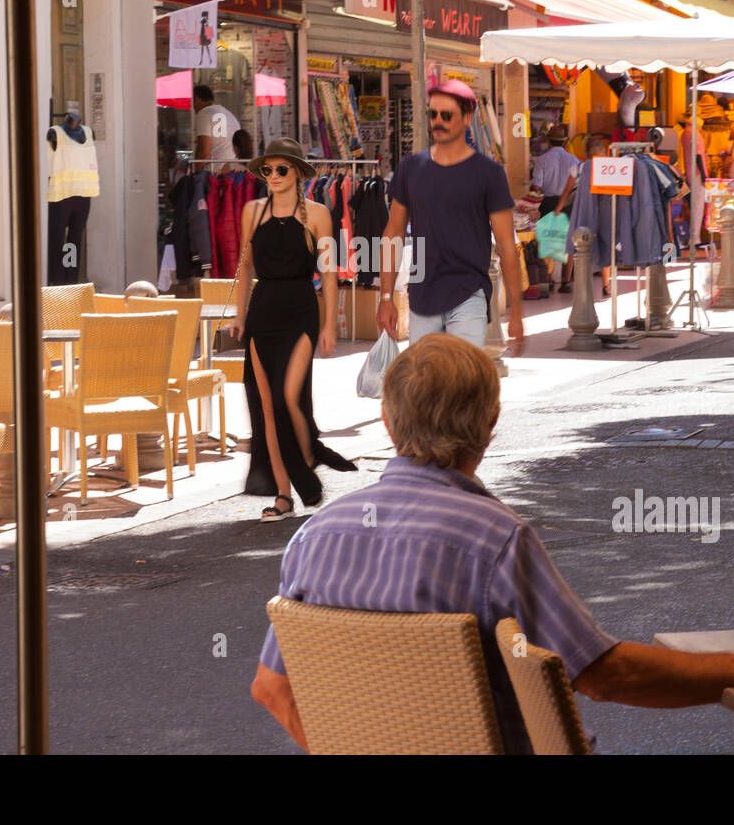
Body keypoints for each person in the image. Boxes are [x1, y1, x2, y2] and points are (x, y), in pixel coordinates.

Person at [251, 334, 734, 754]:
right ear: (490, 422)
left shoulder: (314, 536)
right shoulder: (491, 540)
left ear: (387, 420)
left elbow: (271, 688)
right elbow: (606, 675)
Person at [224, 138, 355, 522]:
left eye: (282, 169)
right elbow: (244, 267)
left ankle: (308, 455)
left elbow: (329, 273)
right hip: (263, 310)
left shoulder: (318, 214)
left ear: (297, 171)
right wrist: (239, 315)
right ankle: (284, 494)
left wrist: (330, 324)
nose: (274, 176)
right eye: (267, 170)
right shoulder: (252, 211)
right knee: (266, 407)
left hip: (301, 310)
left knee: (286, 396)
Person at [377, 80, 524, 349]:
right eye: (433, 114)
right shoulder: (410, 168)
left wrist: (516, 310)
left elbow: (506, 244)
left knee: (463, 384)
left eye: (447, 115)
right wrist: (386, 296)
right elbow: (393, 233)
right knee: (425, 385)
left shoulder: (488, 173)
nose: (438, 122)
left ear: (468, 118)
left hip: (468, 294)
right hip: (422, 299)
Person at [45, 109, 99, 285]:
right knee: (57, 240)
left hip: (83, 197)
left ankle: (71, 283)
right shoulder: (55, 133)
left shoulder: (90, 133)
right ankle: (58, 283)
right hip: (60, 196)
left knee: (74, 242)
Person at [532, 123, 580, 293]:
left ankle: (549, 280)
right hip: (569, 204)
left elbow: (537, 186)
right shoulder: (574, 161)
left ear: (549, 142)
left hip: (549, 203)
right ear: (565, 142)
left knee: (547, 240)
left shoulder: (542, 160)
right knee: (569, 243)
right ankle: (566, 282)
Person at [677, 120, 708, 259]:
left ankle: (693, 238)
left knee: (692, 205)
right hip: (697, 174)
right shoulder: (695, 134)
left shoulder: (684, 133)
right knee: (698, 206)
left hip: (688, 173)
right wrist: (703, 174)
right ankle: (695, 239)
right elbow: (698, 154)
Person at [192, 84, 238, 166]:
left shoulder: (204, 113)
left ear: (197, 100)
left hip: (214, 171)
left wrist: (195, 172)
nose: (192, 107)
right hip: (232, 170)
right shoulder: (229, 114)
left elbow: (204, 153)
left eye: (192, 102)